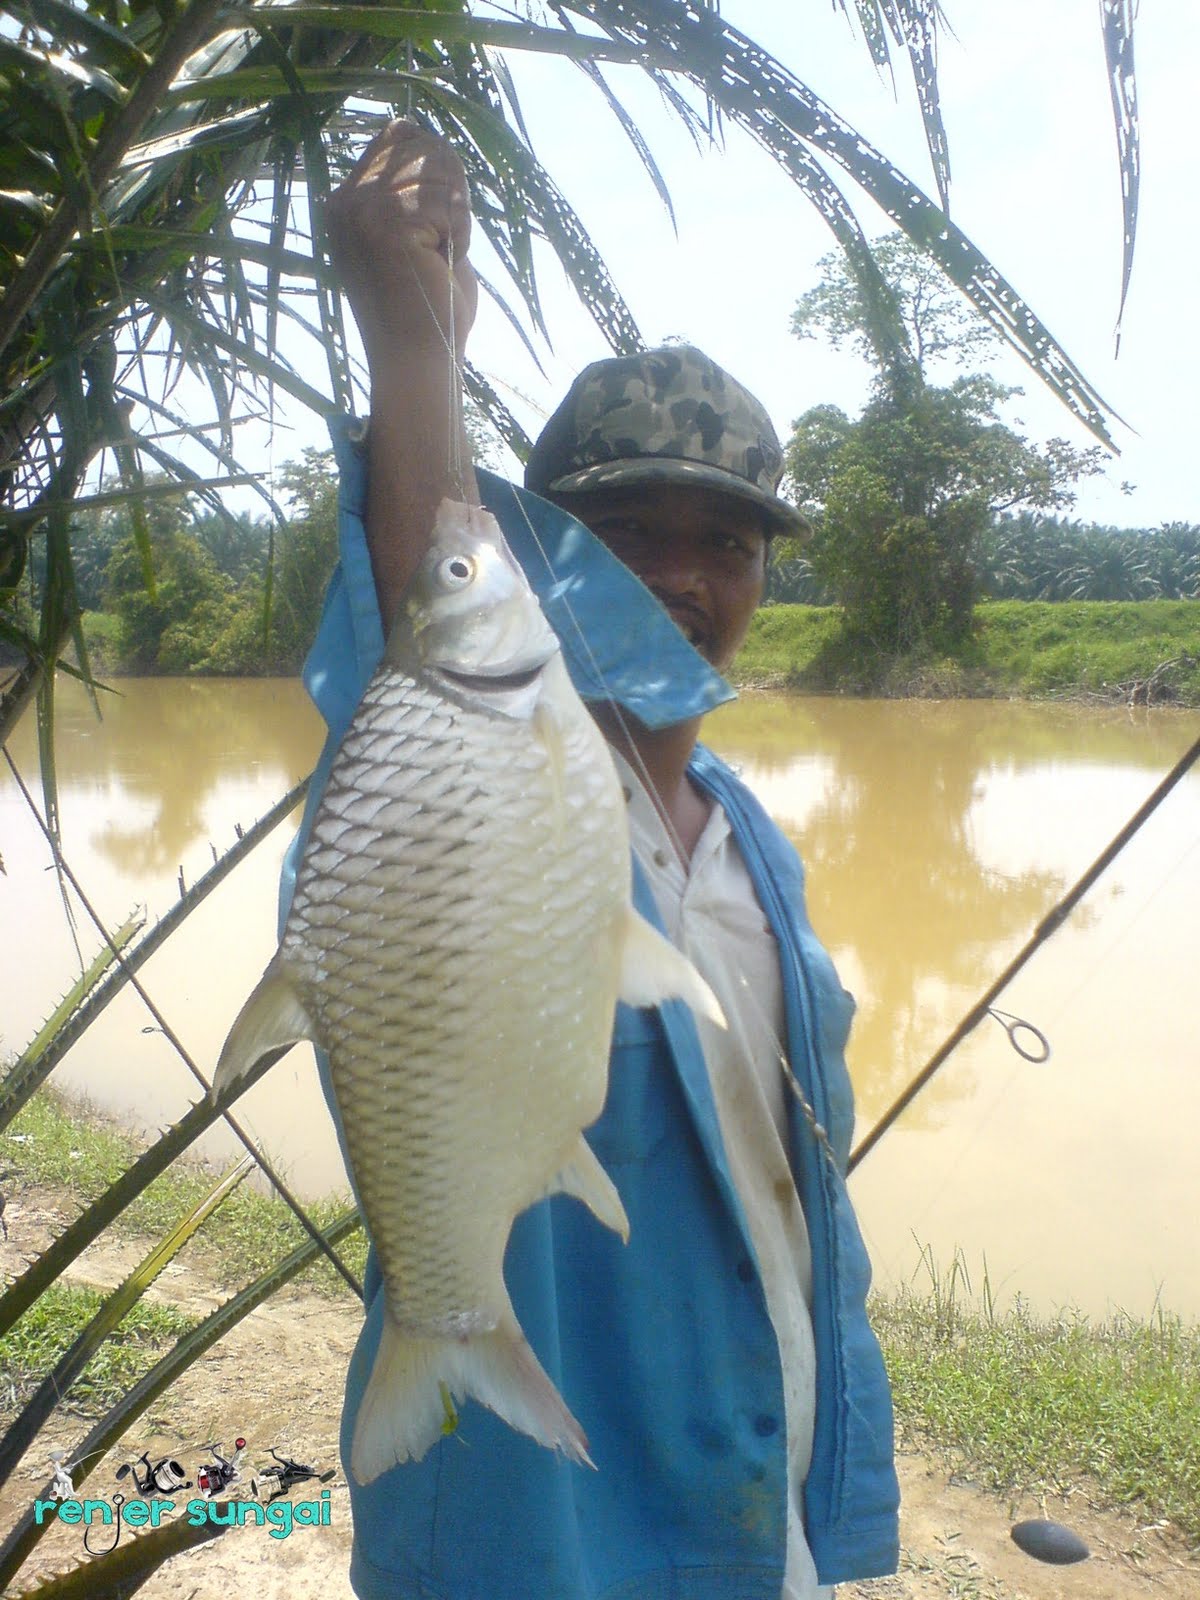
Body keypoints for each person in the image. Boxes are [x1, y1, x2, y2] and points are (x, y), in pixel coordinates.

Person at [287, 121, 899, 1600]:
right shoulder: (484, 785)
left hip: (768, 1465)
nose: (686, 579)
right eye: (630, 534)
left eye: (728, 544)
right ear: (546, 550)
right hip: (565, 1528)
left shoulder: (757, 840)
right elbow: (423, 590)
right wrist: (419, 340)